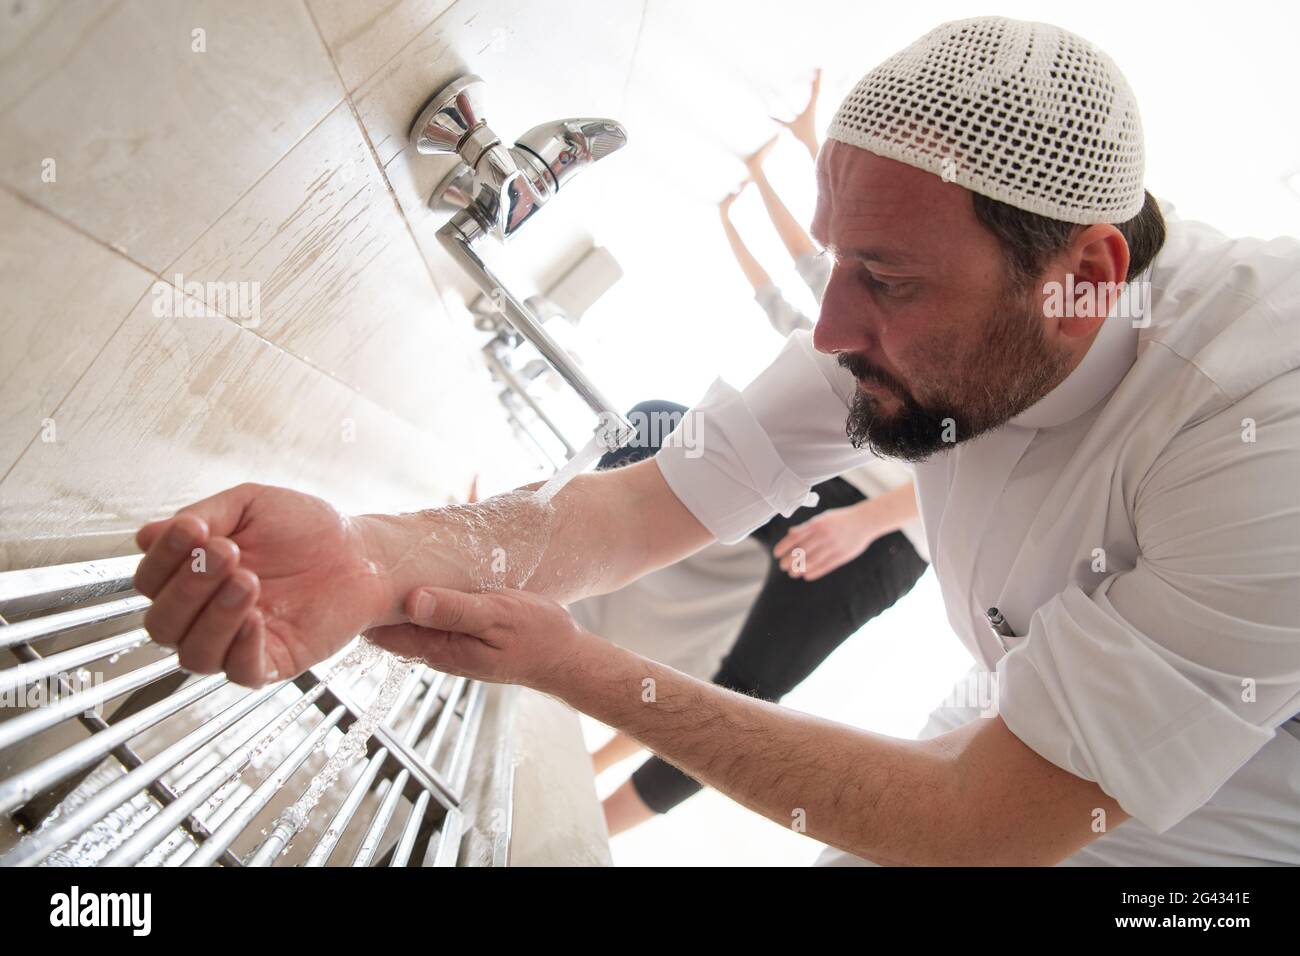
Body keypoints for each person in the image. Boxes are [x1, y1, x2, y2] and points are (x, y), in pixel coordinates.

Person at [131, 17, 1299, 865]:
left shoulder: (1259, 423)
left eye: (882, 278)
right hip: (1018, 707)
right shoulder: (932, 316)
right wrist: (372, 553)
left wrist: (569, 663)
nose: (832, 327)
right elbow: (642, 505)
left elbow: (980, 825)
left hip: (1226, 826)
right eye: (837, 255)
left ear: (1082, 279)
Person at [584, 76, 929, 835]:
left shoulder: (951, 345)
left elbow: (968, 470)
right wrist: (760, 186)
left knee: (741, 698)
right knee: (647, 425)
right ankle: (519, 545)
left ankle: (586, 828)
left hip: (889, 538)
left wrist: (869, 522)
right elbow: (804, 270)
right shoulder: (833, 337)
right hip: (828, 484)